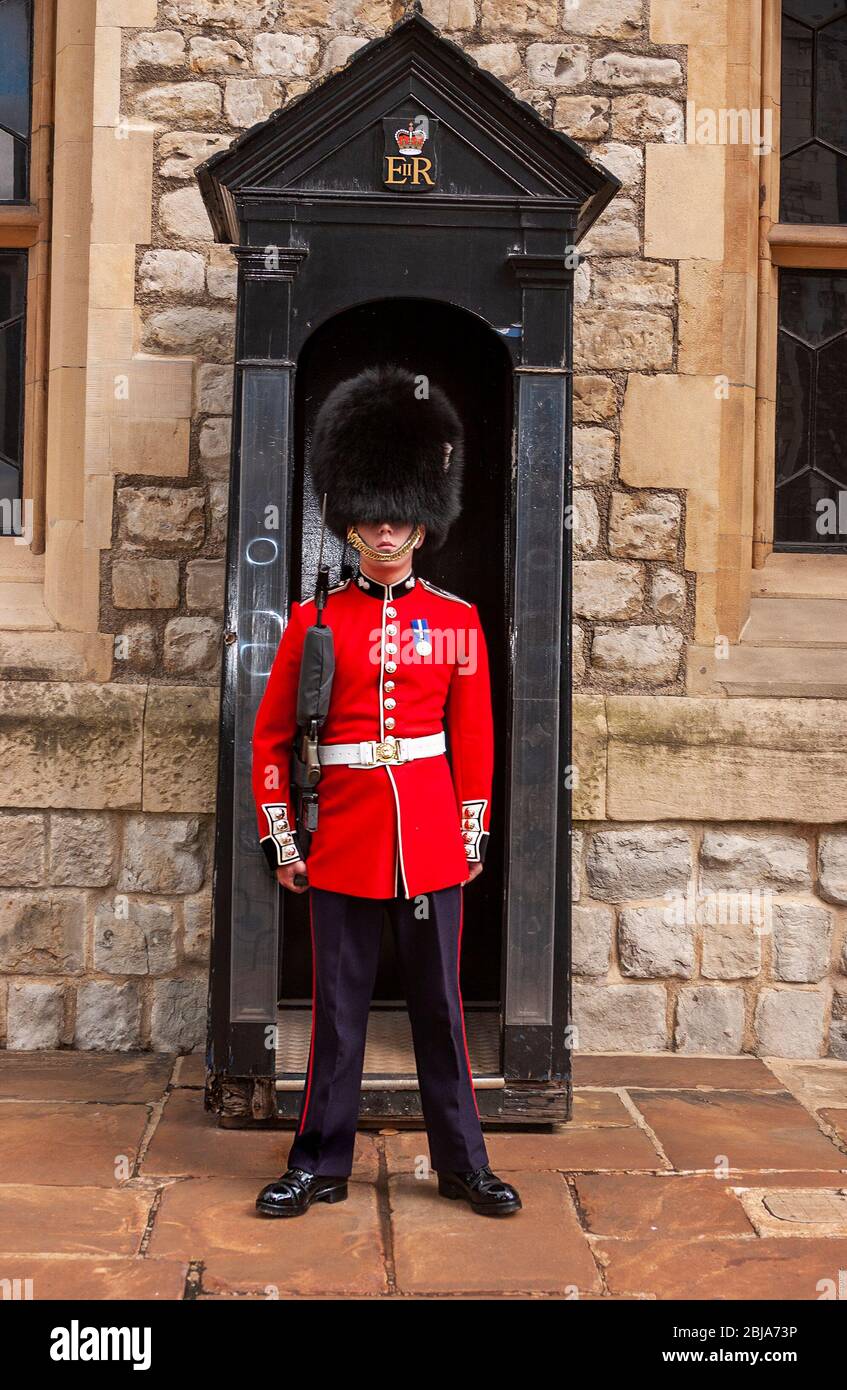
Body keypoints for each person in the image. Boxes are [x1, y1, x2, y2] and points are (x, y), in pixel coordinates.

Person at [251, 364, 521, 1218]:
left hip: (432, 840)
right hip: (340, 841)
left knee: (441, 1013)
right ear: (349, 520)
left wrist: (469, 834)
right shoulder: (313, 622)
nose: (384, 530)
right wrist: (285, 843)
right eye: (369, 516)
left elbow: (474, 739)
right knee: (338, 1015)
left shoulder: (457, 622)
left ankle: (462, 1163)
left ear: (422, 517)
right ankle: (320, 1163)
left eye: (399, 515)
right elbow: (269, 739)